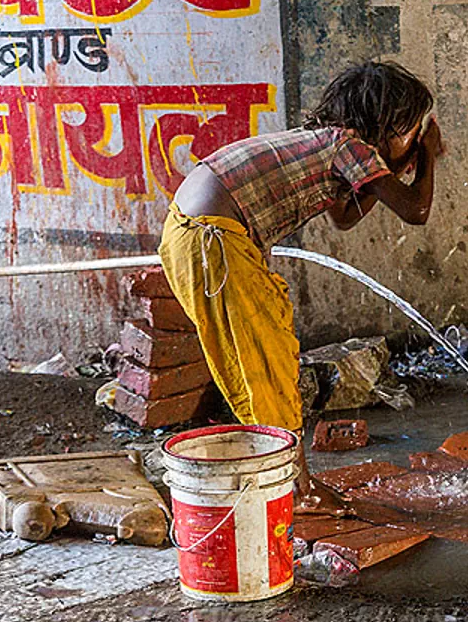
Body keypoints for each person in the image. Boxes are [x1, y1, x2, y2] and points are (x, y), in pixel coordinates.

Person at [158, 61, 445, 514]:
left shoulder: (330, 146)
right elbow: (416, 210)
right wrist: (426, 157)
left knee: (261, 359)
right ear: (392, 127)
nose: (413, 141)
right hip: (213, 236)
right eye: (411, 131)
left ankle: (279, 477)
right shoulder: (349, 146)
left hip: (192, 231)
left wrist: (393, 169)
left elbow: (344, 216)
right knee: (267, 366)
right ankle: (299, 489)